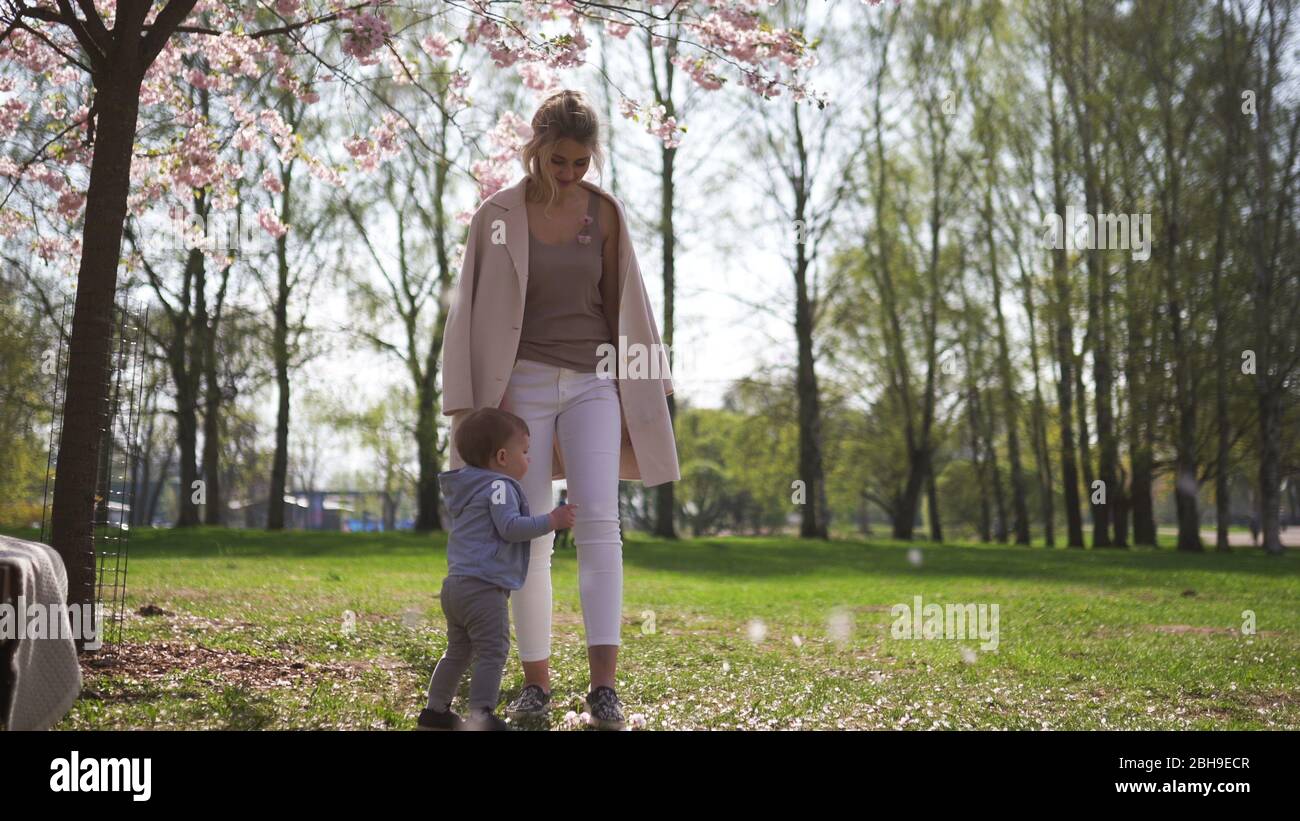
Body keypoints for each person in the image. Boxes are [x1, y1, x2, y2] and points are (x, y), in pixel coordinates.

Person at [440, 89, 681, 730]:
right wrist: (465, 401)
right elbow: (467, 309)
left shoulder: (603, 214)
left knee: (600, 522)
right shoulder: (496, 215)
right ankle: (536, 687)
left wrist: (652, 384)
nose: (569, 173)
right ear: (535, 150)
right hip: (517, 386)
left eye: (580, 162)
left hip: (595, 381)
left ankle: (604, 688)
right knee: (532, 532)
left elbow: (628, 304)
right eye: (558, 161)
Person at [418, 408, 577, 731]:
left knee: (458, 651)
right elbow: (510, 527)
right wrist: (552, 521)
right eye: (525, 452)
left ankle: (435, 712)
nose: (529, 460)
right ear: (503, 456)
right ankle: (481, 714)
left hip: (455, 587)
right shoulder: (500, 486)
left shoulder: (467, 486)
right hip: (484, 589)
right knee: (493, 650)